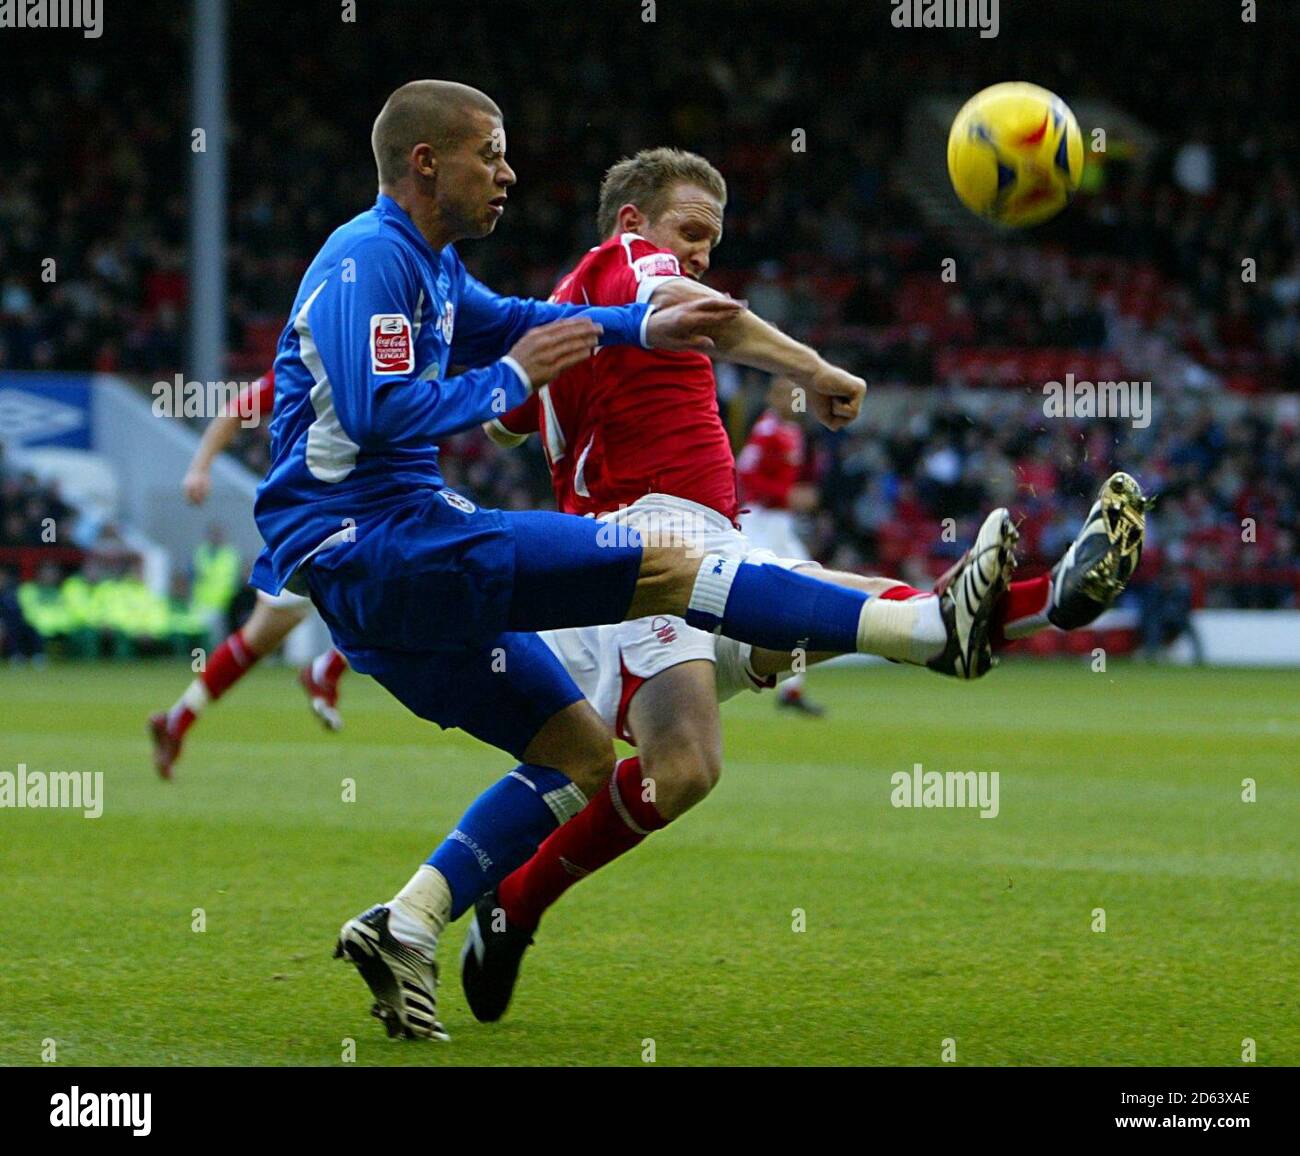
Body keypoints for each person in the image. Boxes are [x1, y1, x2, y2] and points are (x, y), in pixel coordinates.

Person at [253, 79, 1016, 1041]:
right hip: (383, 536)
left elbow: (526, 318)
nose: (507, 170)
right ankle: (926, 628)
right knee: (659, 560)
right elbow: (376, 413)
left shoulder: (434, 270)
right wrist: (510, 378)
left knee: (575, 751)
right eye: (490, 152)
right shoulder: (371, 258)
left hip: (373, 575)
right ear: (425, 162)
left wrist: (635, 329)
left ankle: (406, 923)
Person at [457, 149, 1150, 1024]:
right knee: (687, 765)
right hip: (647, 547)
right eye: (690, 231)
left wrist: (543, 365)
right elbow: (701, 317)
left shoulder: (571, 311)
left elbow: (506, 425)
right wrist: (814, 370)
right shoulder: (626, 264)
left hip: (704, 540)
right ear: (634, 223)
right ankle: (510, 906)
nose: (702, 252)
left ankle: (1036, 603)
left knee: (843, 604)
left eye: (713, 237)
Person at [148, 368, 350, 781]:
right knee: (401, 586)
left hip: (331, 513)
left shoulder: (371, 347)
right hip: (316, 515)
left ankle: (178, 718)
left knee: (259, 638)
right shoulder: (313, 359)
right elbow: (238, 410)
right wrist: (198, 468)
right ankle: (326, 668)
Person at [736, 374, 826, 714]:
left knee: (806, 593)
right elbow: (745, 476)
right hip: (760, 521)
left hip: (779, 524)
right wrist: (786, 495)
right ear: (774, 397)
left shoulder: (792, 432)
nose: (794, 402)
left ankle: (791, 688)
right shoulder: (766, 430)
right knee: (792, 592)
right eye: (789, 395)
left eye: (797, 395)